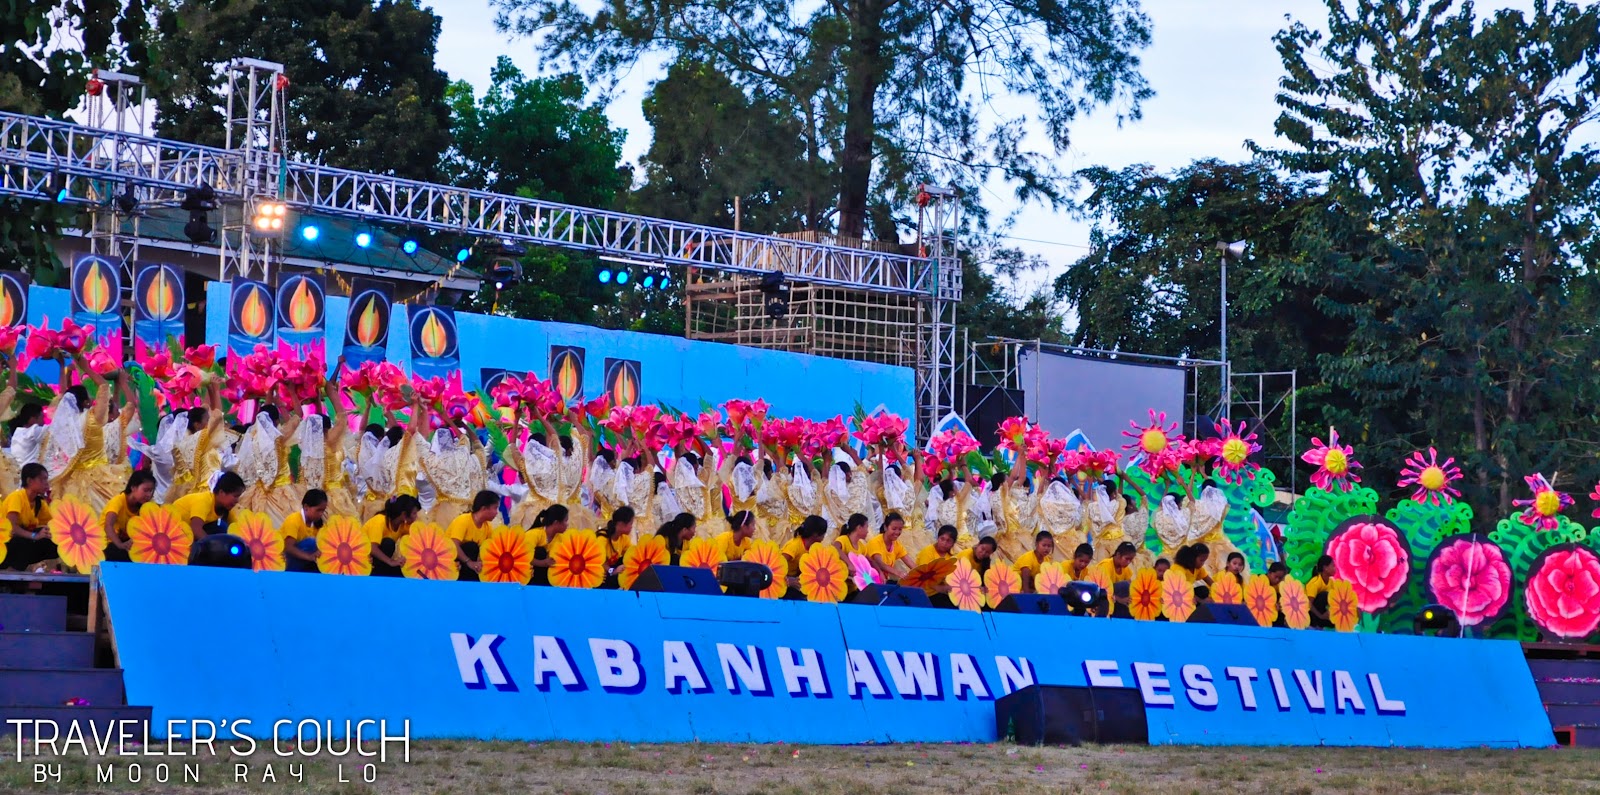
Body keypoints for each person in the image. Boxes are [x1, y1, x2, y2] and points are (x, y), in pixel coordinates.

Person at [3, 463, 53, 569]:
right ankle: (12, 572)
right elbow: (12, 528)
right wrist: (35, 536)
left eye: (46, 479)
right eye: (42, 479)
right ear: (29, 481)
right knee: (21, 543)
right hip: (6, 544)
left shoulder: (40, 503)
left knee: (53, 543)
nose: (46, 484)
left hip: (23, 543)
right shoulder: (16, 497)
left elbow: (50, 523)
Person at [170, 472, 246, 540]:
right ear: (222, 492)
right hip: (171, 532)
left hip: (188, 534)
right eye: (235, 496)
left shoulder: (225, 509)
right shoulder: (203, 500)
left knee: (223, 528)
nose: (237, 501)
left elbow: (238, 530)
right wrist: (212, 546)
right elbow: (196, 529)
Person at [101, 470, 156, 563]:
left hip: (125, 543)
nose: (149, 495)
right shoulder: (118, 501)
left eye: (151, 491)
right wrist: (120, 545)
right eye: (145, 490)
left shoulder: (146, 506)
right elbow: (108, 526)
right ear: (133, 487)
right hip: (107, 543)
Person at [446, 489, 501, 581]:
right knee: (471, 547)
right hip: (453, 563)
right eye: (495, 508)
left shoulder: (488, 527)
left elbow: (487, 549)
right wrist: (469, 562)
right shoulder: (463, 520)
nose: (496, 512)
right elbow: (453, 545)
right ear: (484, 508)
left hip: (469, 567)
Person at [362, 494, 420, 577]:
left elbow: (415, 540)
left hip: (379, 563)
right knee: (388, 543)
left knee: (402, 573)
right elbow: (372, 548)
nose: (416, 517)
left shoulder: (403, 525)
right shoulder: (380, 520)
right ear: (404, 514)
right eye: (414, 513)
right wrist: (391, 561)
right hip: (365, 561)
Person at [280, 489, 329, 573]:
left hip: (304, 563)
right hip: (287, 563)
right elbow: (288, 548)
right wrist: (309, 556)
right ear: (306, 507)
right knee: (311, 543)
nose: (321, 514)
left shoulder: (318, 525)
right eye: (318, 510)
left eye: (323, 511)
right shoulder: (294, 520)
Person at [781, 516, 828, 593]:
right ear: (815, 535)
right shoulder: (794, 546)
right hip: (783, 581)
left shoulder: (813, 548)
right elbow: (775, 568)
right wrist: (788, 580)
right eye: (823, 535)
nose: (823, 538)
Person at [527, 504, 571, 585]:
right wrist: (542, 563)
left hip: (543, 575)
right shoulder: (533, 534)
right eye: (565, 521)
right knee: (540, 552)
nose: (567, 524)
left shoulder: (559, 538)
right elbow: (523, 558)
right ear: (556, 523)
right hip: (527, 575)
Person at [863, 512, 913, 581]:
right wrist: (898, 573)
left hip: (882, 582)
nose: (897, 532)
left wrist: (922, 573)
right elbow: (880, 564)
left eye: (900, 529)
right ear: (885, 527)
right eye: (894, 529)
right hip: (868, 581)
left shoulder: (897, 545)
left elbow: (910, 563)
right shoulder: (875, 542)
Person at [1307, 554, 1337, 629]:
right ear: (1325, 568)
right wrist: (1321, 616)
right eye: (1333, 566)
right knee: (1325, 595)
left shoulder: (1331, 582)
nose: (1335, 568)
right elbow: (1308, 604)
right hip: (1309, 614)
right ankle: (1314, 624)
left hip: (1320, 613)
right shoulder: (1315, 583)